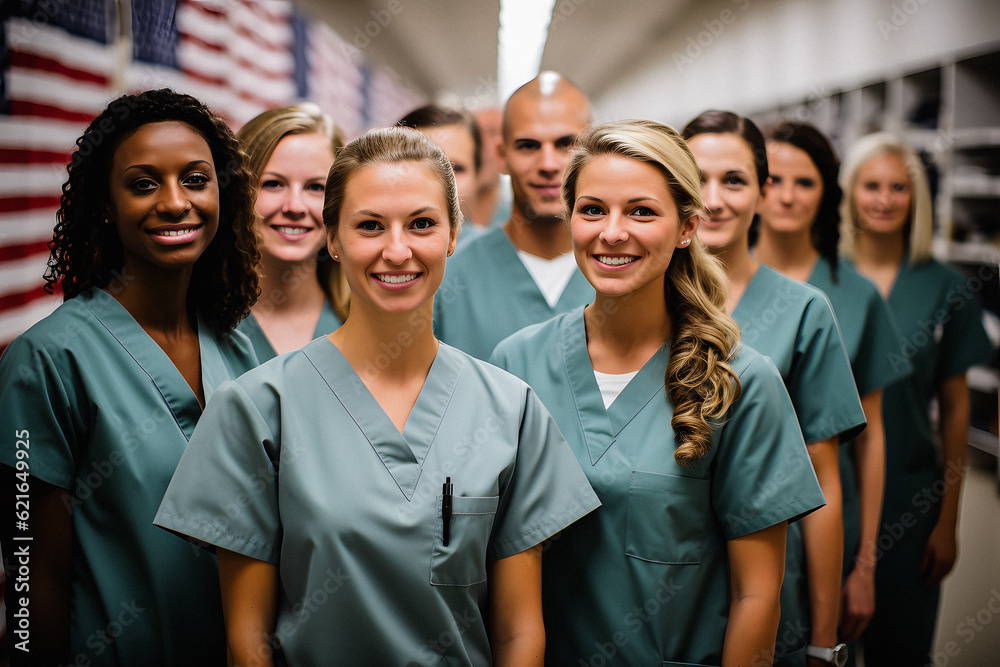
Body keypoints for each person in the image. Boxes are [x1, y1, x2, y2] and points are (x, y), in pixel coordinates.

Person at [154, 127, 600, 666]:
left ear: (454, 234)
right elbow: (247, 645)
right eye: (369, 226)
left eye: (422, 224)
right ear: (333, 238)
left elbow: (520, 635)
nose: (397, 250)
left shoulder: (511, 409)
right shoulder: (258, 408)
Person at [492, 119, 826, 665]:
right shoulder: (516, 363)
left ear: (687, 227)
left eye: (642, 211)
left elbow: (757, 596)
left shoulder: (740, 382)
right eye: (592, 209)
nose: (612, 232)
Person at [0, 88, 260, 665]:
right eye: (144, 184)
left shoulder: (239, 349)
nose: (175, 202)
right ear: (105, 206)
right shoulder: (46, 363)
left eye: (196, 179)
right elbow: (27, 589)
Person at [683, 110, 866, 667]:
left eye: (734, 180)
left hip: (771, 587)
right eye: (697, 180)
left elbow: (823, 479)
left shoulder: (804, 312)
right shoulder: (636, 303)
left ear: (762, 192)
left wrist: (823, 638)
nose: (713, 199)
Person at [756, 121, 913, 652]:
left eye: (806, 182)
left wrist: (865, 562)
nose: (786, 195)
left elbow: (871, 437)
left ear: (827, 193)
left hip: (827, 514)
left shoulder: (856, 295)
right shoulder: (710, 283)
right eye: (773, 179)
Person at [838, 133, 993, 666]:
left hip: (909, 500)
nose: (884, 200)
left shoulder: (945, 288)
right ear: (849, 193)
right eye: (871, 186)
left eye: (899, 187)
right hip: (824, 493)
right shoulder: (821, 274)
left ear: (918, 197)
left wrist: (947, 519)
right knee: (816, 644)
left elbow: (955, 410)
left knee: (900, 650)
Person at [434, 71, 595, 360]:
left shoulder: (627, 269)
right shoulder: (448, 277)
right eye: (528, 146)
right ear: (501, 155)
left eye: (566, 144)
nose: (547, 164)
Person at [235, 103, 348, 363]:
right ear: (238, 191)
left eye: (316, 187)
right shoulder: (196, 324)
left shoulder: (366, 322)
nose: (295, 207)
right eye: (273, 184)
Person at [397, 103, 484, 246]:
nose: (442, 181)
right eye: (422, 167)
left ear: (478, 176)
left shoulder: (499, 260)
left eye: (456, 169)